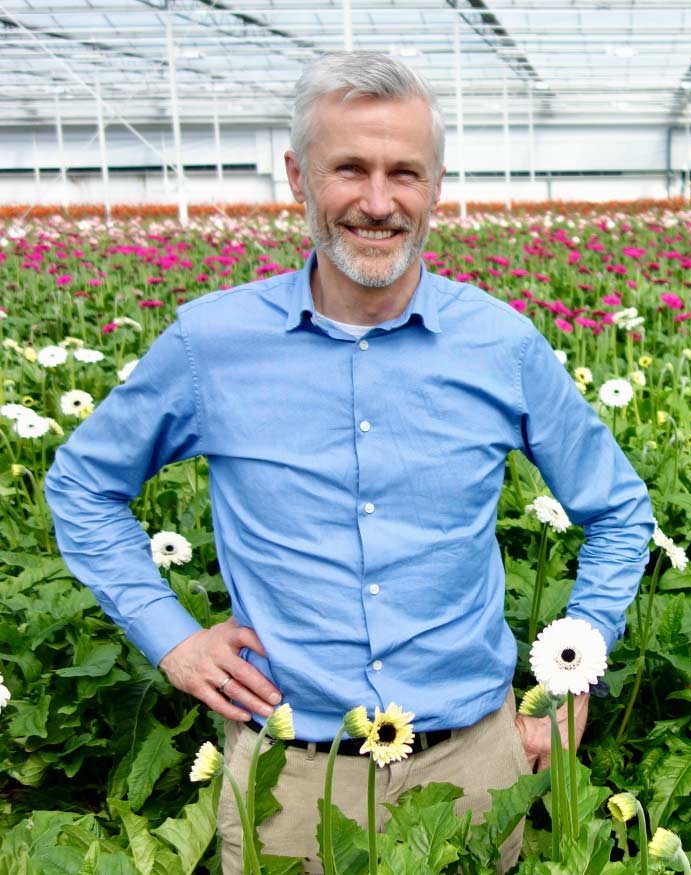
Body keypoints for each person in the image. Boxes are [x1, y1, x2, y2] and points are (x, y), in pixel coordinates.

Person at [45, 52, 653, 873]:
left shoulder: (500, 344)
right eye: (349, 169)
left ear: (436, 185)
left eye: (404, 172)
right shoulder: (210, 346)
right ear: (298, 176)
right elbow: (83, 483)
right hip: (289, 785)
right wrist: (172, 639)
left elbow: (618, 509)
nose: (377, 201)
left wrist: (576, 670)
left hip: (471, 767)